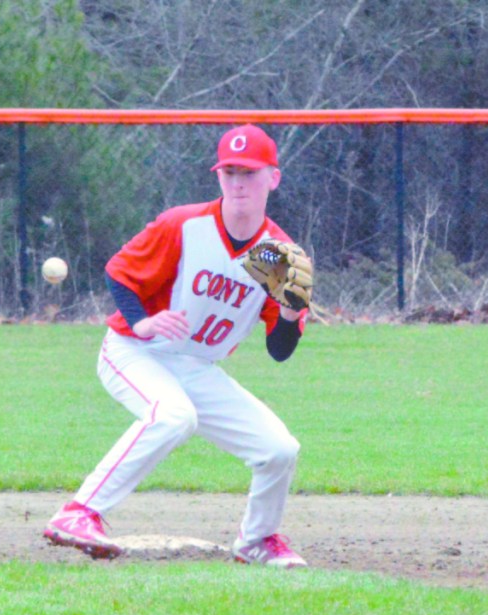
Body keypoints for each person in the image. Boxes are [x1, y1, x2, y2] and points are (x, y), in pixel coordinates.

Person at [43, 124, 309, 568]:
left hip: (197, 365)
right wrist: (142, 322)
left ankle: (256, 540)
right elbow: (120, 271)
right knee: (173, 416)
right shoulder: (186, 224)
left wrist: (288, 312)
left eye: (250, 172)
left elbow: (279, 350)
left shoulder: (277, 255)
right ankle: (79, 512)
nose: (239, 182)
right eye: (230, 172)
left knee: (279, 449)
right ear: (218, 178)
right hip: (134, 350)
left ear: (273, 178)